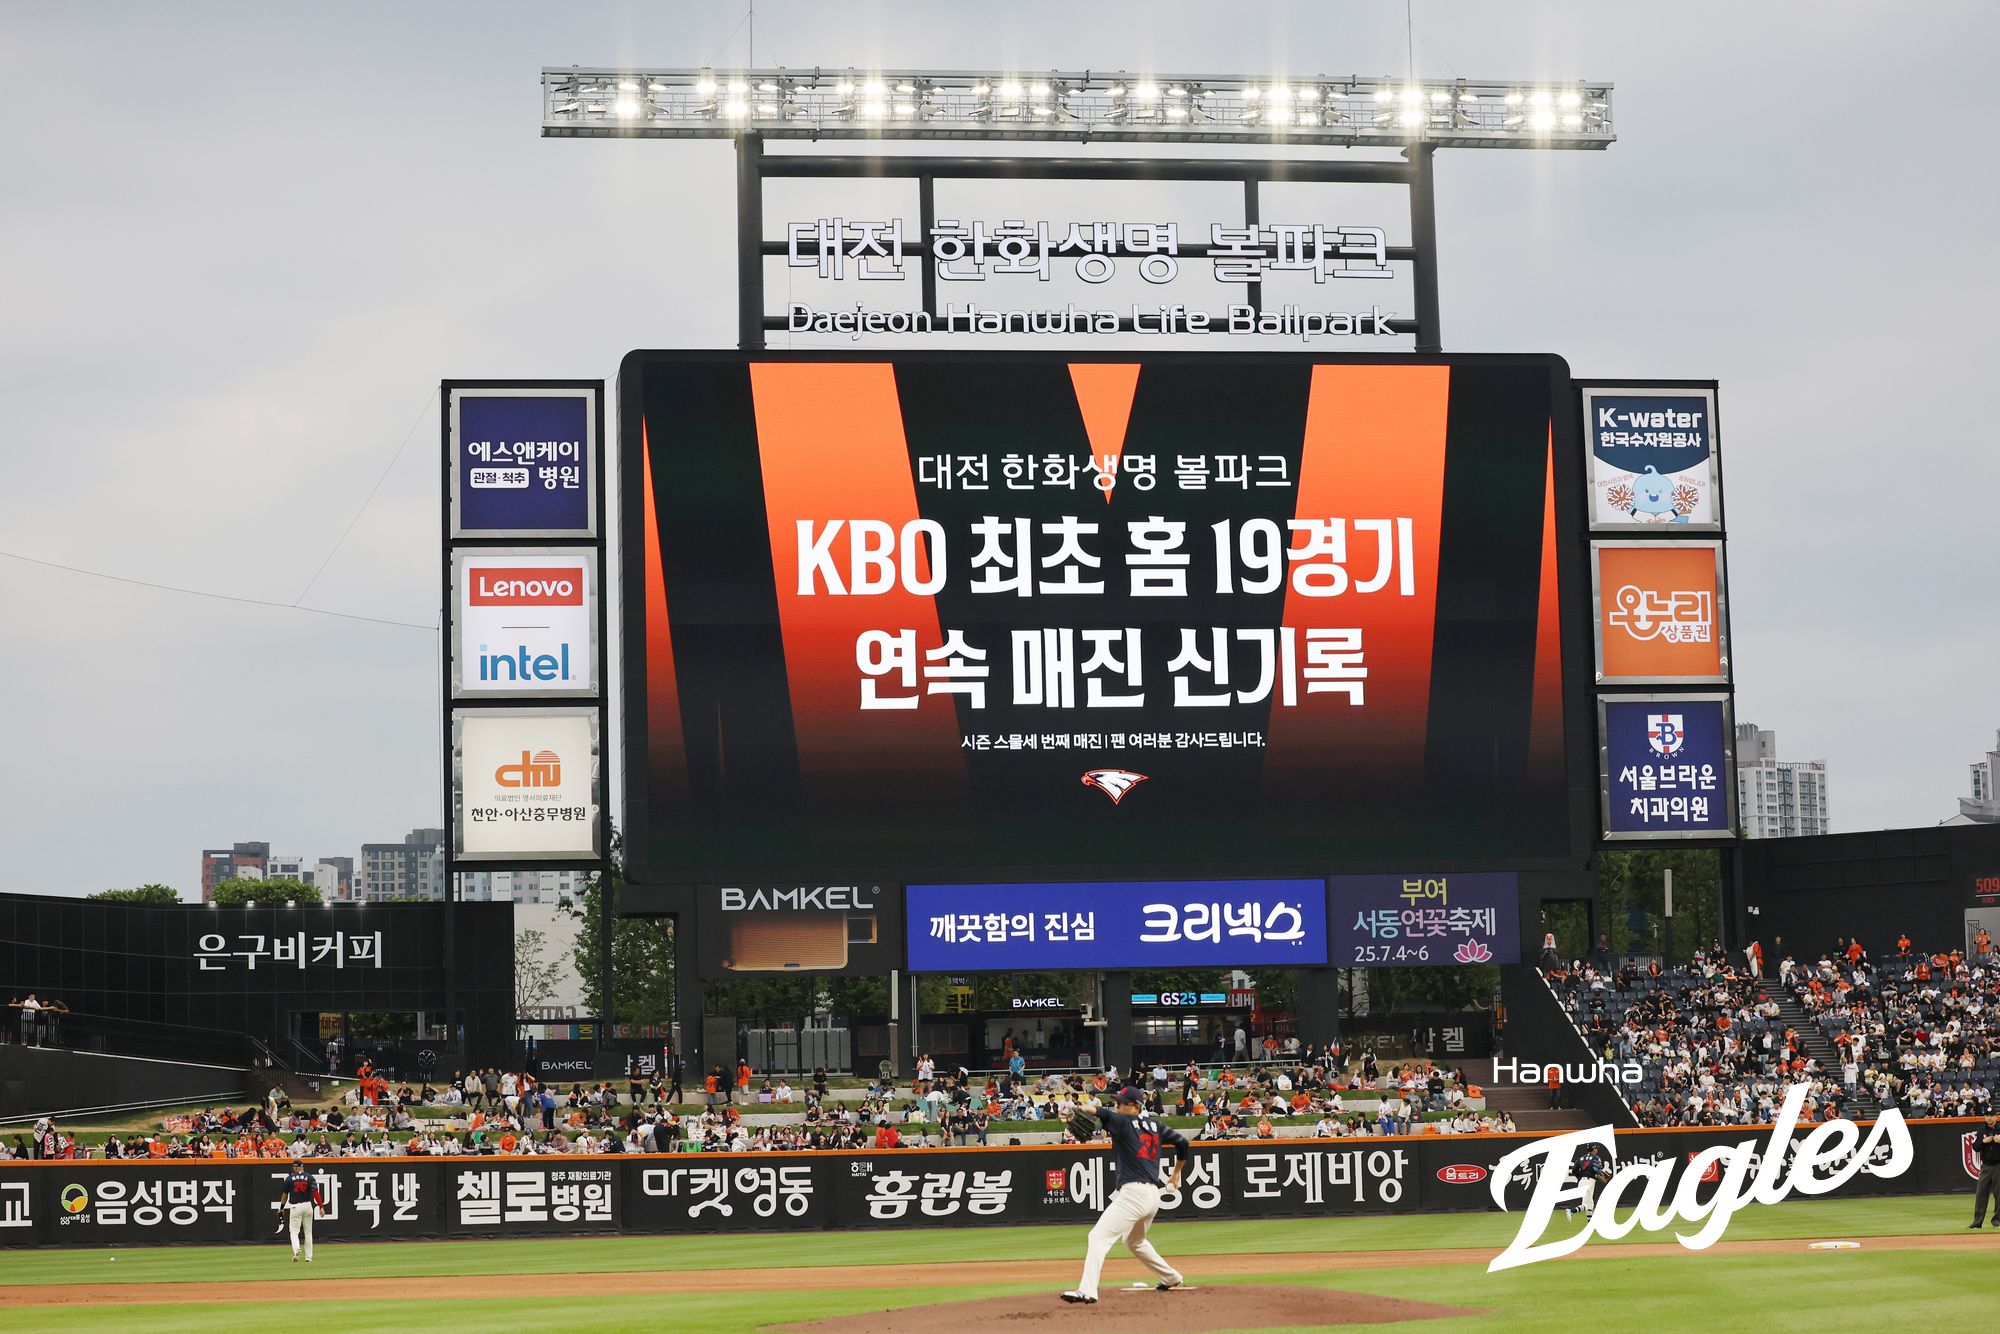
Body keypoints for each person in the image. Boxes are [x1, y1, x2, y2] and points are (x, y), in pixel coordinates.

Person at [1061, 1085, 1188, 1305]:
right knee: (1134, 1241)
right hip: (1152, 1196)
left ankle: (1087, 1290)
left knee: (1098, 1237)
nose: (1117, 1106)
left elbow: (1098, 1111)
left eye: (1121, 1103)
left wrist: (1075, 1106)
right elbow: (1182, 1143)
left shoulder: (1123, 1121)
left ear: (1135, 1107)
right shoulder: (1156, 1126)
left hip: (1133, 1194)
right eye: (1116, 1103)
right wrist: (1176, 1174)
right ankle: (1171, 1277)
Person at [281, 1151, 325, 1262]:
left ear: (296, 1167)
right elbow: (316, 1193)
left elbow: (285, 1195)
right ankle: (308, 1257)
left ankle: (296, 1249)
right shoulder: (309, 1177)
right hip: (308, 1206)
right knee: (308, 1232)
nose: (293, 1168)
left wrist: (281, 1207)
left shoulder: (290, 1178)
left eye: (293, 1166)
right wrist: (321, 1206)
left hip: (295, 1207)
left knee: (294, 1231)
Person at [1970, 1109, 2000, 1229]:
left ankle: (1997, 1221)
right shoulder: (1981, 1131)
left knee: (1999, 1195)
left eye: (1992, 1115)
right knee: (1981, 1193)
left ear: (1996, 1117)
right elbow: (1975, 1147)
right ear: (1984, 1117)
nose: (1990, 1118)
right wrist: (1983, 1141)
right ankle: (1977, 1222)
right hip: (1986, 1166)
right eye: (1987, 1115)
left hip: (1999, 1166)